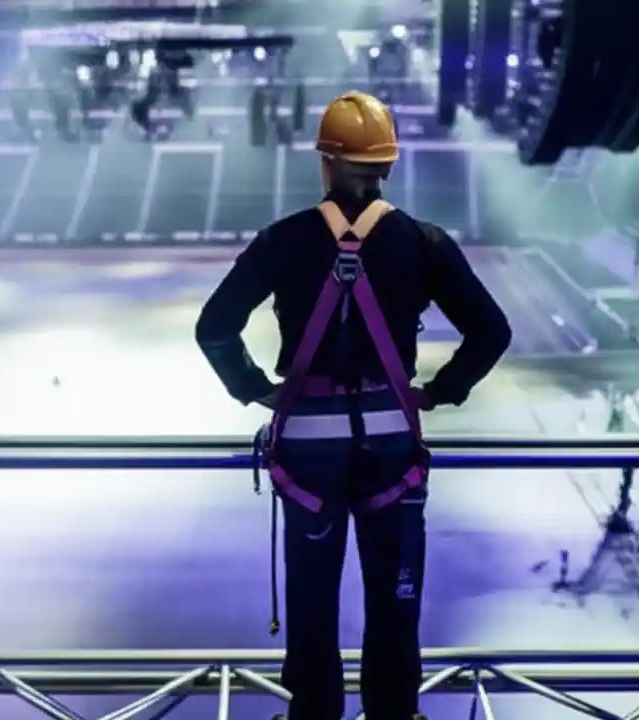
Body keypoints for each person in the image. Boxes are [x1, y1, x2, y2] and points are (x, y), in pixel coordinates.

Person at [195, 91, 512, 720]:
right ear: (388, 165)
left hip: (308, 445)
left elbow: (215, 326)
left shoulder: (283, 241)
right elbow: (491, 331)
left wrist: (256, 388)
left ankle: (314, 714)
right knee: (395, 607)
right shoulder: (424, 244)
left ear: (325, 162)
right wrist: (438, 391)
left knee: (312, 608)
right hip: (391, 440)